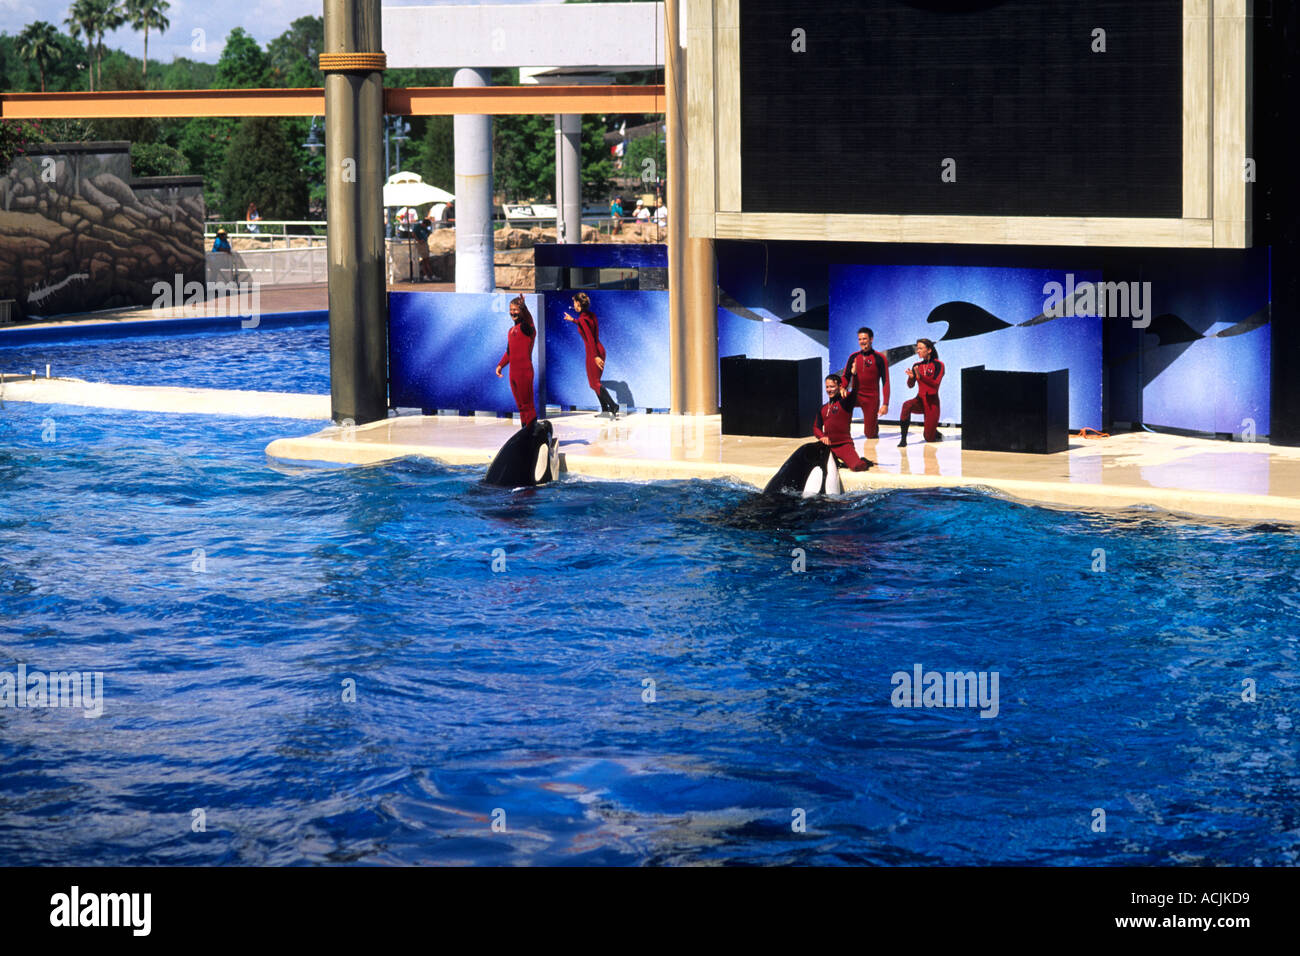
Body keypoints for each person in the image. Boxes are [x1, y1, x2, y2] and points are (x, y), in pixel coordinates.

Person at [563, 291, 619, 417]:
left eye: (574, 303)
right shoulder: (589, 316)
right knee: (595, 382)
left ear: (578, 303)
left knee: (594, 383)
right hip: (599, 349)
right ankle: (605, 410)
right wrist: (573, 320)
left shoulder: (583, 319)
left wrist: (595, 356)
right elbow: (585, 325)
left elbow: (589, 338)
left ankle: (613, 405)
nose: (573, 305)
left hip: (593, 351)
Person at [813, 374, 872, 471]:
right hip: (828, 446)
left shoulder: (845, 402)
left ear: (840, 386)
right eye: (827, 387)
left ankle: (864, 461)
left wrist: (854, 375)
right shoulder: (823, 408)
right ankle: (837, 461)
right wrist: (822, 436)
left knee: (858, 467)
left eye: (832, 386)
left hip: (844, 445)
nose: (829, 390)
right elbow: (816, 427)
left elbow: (855, 391)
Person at [495, 295, 537, 427]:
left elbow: (529, 320)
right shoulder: (511, 330)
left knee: (527, 404)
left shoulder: (527, 328)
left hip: (524, 372)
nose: (513, 312)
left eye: (516, 310)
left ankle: (532, 430)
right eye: (511, 309)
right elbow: (509, 352)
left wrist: (524, 307)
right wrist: (501, 365)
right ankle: (525, 429)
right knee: (520, 406)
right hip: (513, 373)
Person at [841, 326, 890, 440]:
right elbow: (845, 376)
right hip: (856, 395)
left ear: (871, 339)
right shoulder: (853, 357)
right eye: (860, 339)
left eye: (864, 339)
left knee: (870, 434)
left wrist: (885, 404)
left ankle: (873, 425)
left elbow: (886, 382)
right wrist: (843, 387)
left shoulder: (879, 358)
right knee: (840, 398)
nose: (862, 342)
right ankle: (843, 431)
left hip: (871, 398)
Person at [899, 338, 945, 446]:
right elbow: (910, 386)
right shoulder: (916, 365)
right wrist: (911, 378)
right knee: (906, 405)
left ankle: (934, 432)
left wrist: (921, 377)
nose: (917, 351)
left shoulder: (939, 365)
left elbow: (935, 384)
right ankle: (903, 440)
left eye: (920, 348)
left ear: (929, 350)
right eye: (917, 348)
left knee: (929, 438)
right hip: (920, 401)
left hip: (932, 403)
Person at [413, 212, 434, 280]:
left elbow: (429, 233)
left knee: (426, 260)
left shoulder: (425, 229)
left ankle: (430, 274)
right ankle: (426, 274)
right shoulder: (418, 227)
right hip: (421, 244)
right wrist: (419, 240)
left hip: (425, 243)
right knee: (425, 260)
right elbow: (413, 234)